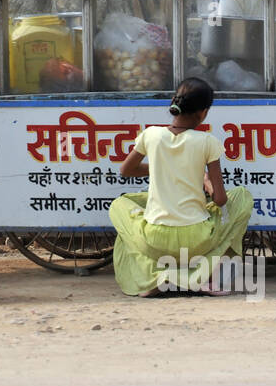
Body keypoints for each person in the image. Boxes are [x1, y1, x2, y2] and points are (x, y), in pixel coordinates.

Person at [108, 78, 253, 297]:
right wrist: (205, 181)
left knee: (120, 206)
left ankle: (152, 278)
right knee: (242, 196)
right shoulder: (207, 141)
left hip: (154, 239)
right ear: (203, 113)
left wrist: (163, 165)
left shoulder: (151, 134)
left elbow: (126, 170)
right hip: (197, 240)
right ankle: (205, 276)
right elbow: (221, 200)